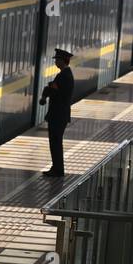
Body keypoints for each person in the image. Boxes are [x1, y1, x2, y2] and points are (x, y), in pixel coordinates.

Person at [40, 48, 75, 177]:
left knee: (55, 143)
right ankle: (56, 168)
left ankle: (57, 169)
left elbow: (55, 92)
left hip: (58, 115)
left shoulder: (64, 76)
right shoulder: (65, 74)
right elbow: (52, 88)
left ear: (63, 61)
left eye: (57, 60)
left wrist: (49, 90)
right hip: (59, 115)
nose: (56, 62)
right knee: (55, 142)